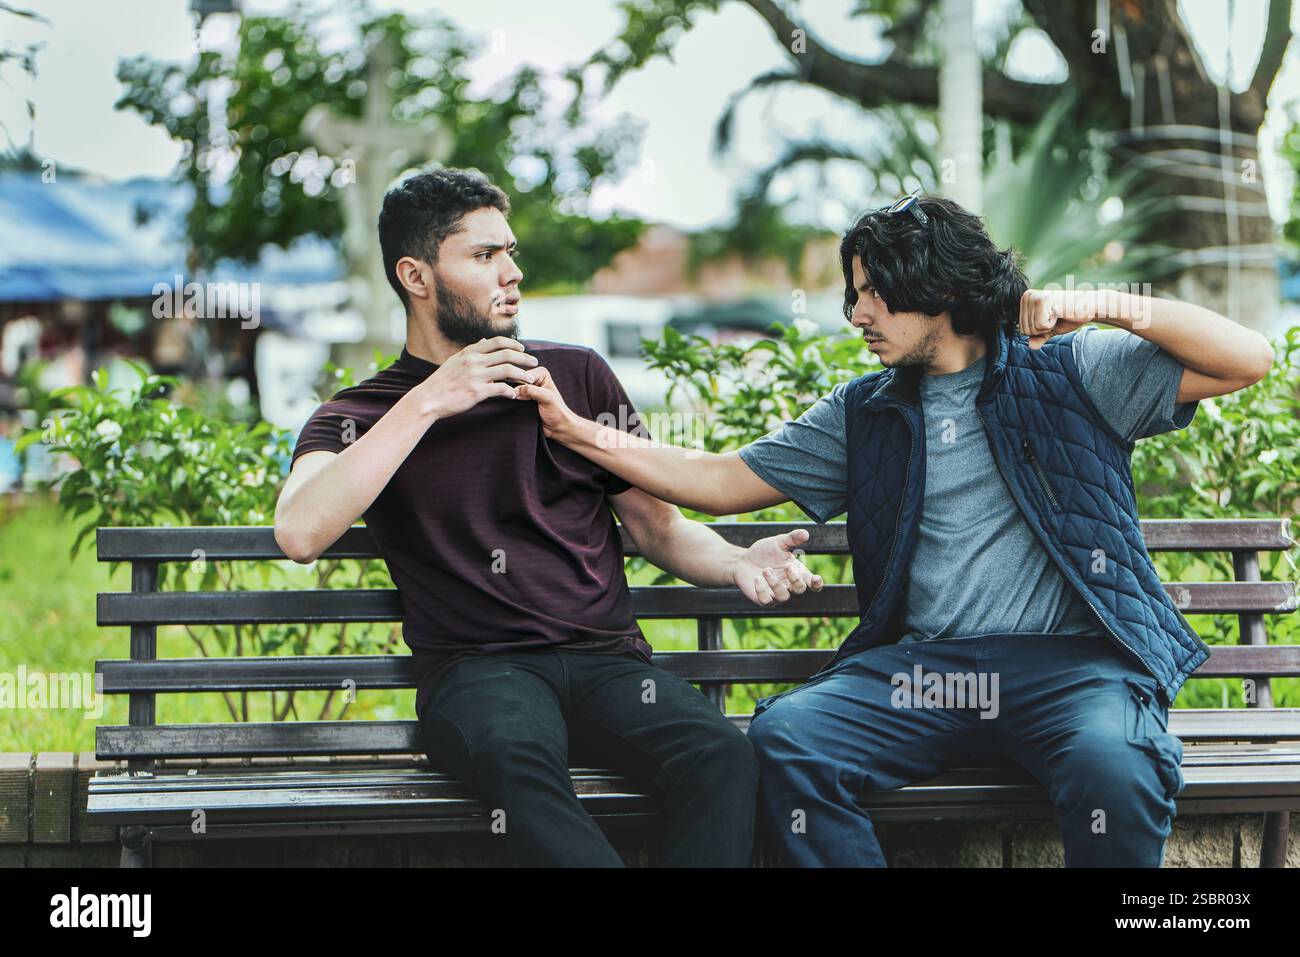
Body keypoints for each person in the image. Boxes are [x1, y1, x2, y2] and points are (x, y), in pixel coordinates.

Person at [517, 191, 1275, 867]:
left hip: (1074, 670)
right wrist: (579, 431)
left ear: (939, 287)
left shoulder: (1074, 370)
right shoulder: (863, 412)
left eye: (872, 293)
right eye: (854, 295)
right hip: (927, 673)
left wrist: (1109, 303)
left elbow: (1251, 358)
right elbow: (718, 480)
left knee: (1117, 764)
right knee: (789, 738)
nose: (856, 315)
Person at [274, 167, 824, 867]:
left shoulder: (578, 376)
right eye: (484, 255)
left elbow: (659, 528)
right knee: (515, 755)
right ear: (415, 275)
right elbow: (299, 531)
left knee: (721, 753)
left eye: (511, 252)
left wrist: (735, 560)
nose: (511, 273)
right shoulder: (359, 415)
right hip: (479, 675)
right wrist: (429, 400)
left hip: (609, 665)